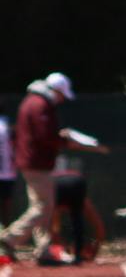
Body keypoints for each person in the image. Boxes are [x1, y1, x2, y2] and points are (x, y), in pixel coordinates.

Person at [0, 74, 109, 266]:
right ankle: (9, 238)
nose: (62, 99)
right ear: (56, 90)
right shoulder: (40, 105)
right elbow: (45, 136)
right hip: (37, 163)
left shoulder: (31, 102)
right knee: (44, 207)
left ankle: (43, 250)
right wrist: (66, 141)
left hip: (32, 162)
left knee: (42, 207)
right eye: (62, 95)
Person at [0, 102, 14, 227]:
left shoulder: (7, 124)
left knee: (6, 204)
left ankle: (5, 236)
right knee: (6, 204)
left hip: (7, 172)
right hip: (7, 172)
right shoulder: (8, 125)